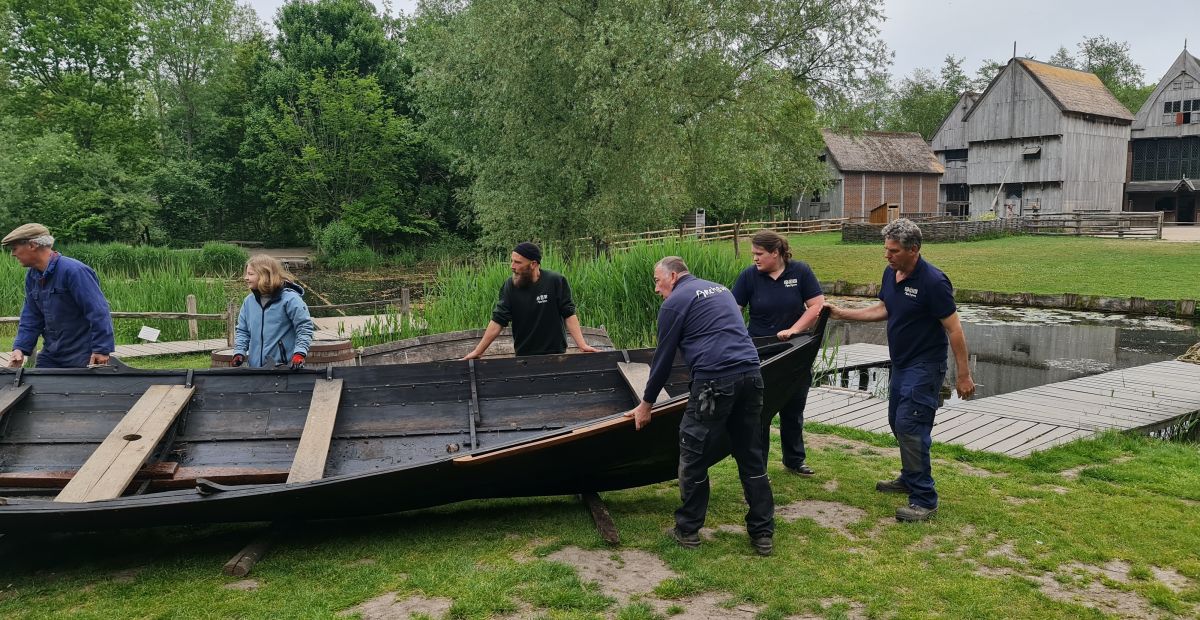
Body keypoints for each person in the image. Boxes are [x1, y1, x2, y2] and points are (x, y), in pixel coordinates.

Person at [824, 219, 975, 522]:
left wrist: (963, 374)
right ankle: (909, 477)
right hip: (902, 363)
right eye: (886, 249)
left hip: (925, 365)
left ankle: (924, 498)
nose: (887, 255)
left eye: (893, 250)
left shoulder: (933, 282)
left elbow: (954, 330)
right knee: (897, 421)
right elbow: (886, 308)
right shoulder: (892, 273)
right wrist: (844, 313)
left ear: (913, 250)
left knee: (911, 425)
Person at [625, 256, 775, 556]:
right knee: (751, 455)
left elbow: (664, 359)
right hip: (752, 376)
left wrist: (646, 404)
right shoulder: (720, 290)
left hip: (713, 385)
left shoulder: (674, 302)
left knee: (693, 453)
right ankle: (762, 534)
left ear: (674, 275)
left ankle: (688, 530)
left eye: (657, 280)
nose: (656, 288)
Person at [732, 229, 825, 477]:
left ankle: (794, 460)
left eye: (759, 254)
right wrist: (738, 338)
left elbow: (817, 305)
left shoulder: (800, 272)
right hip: (759, 352)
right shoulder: (749, 277)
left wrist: (795, 329)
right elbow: (733, 310)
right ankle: (757, 465)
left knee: (794, 407)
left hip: (795, 350)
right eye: (753, 254)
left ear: (776, 253)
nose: (755, 259)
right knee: (759, 410)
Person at [462, 242, 600, 359]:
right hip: (524, 357)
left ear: (533, 264)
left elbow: (569, 314)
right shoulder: (509, 286)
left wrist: (582, 345)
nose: (512, 266)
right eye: (512, 260)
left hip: (556, 355)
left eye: (517, 262)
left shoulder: (555, 281)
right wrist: (478, 351)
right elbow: (498, 320)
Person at [5, 223, 115, 368]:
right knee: (40, 386)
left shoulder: (74, 271)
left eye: (15, 249)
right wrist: (20, 348)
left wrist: (101, 349)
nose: (13, 254)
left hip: (82, 354)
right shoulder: (32, 276)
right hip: (51, 353)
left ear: (32, 245)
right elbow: (31, 315)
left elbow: (98, 311)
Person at [232, 254, 314, 369]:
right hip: (255, 369)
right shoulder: (248, 302)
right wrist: (239, 352)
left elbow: (304, 327)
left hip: (283, 369)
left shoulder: (290, 299)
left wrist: (300, 353)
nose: (246, 277)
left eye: (250, 274)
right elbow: (242, 331)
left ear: (265, 275)